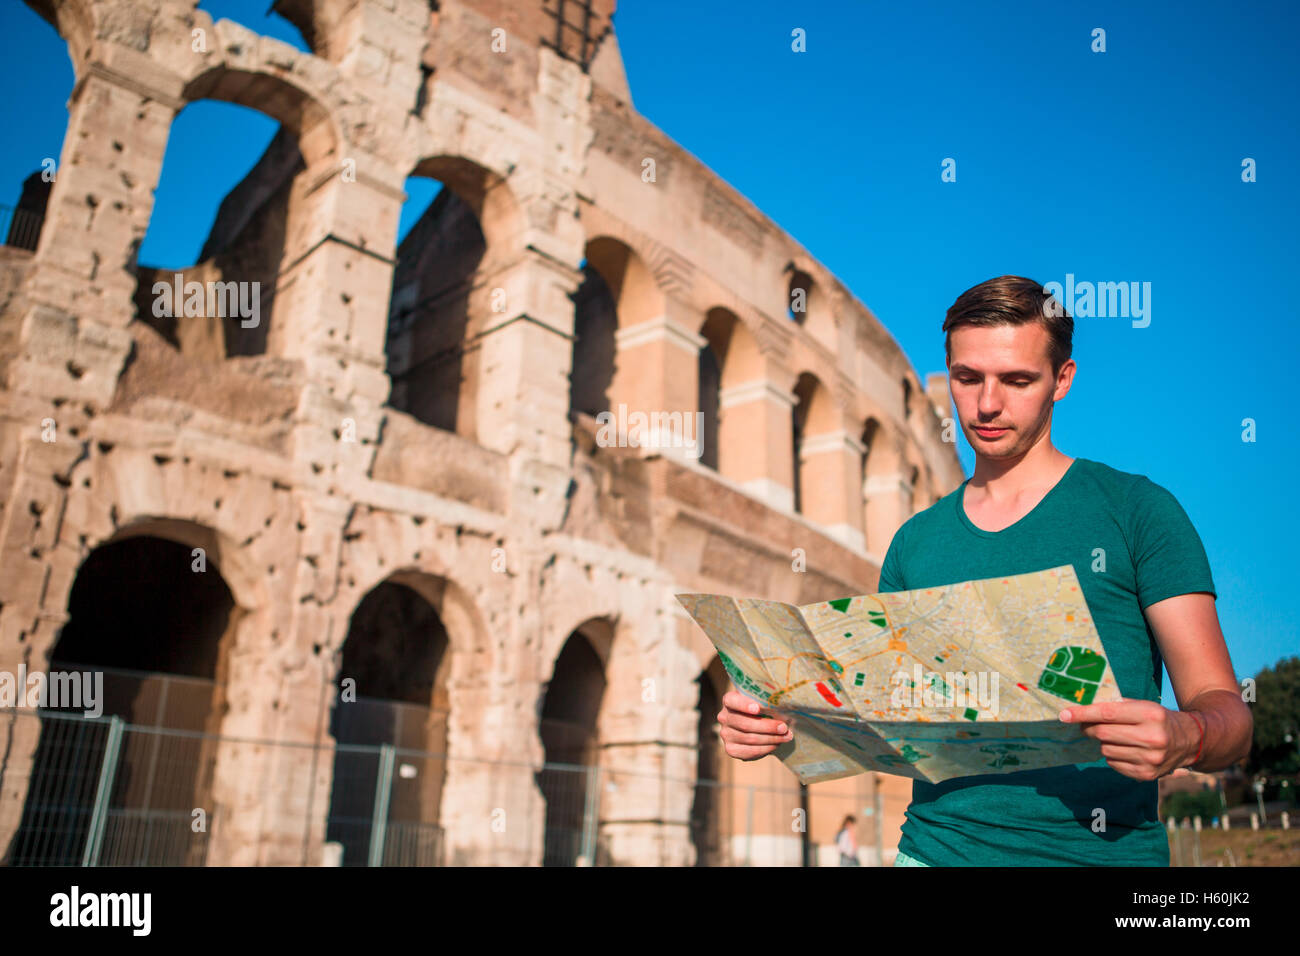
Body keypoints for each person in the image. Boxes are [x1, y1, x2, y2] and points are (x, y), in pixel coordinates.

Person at [716, 275, 1253, 866]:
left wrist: (1189, 736)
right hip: (932, 852)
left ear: (1062, 380)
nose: (988, 404)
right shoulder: (913, 543)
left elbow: (1225, 709)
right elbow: (885, 718)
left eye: (1017, 380)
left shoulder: (1139, 512)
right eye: (968, 379)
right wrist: (775, 722)